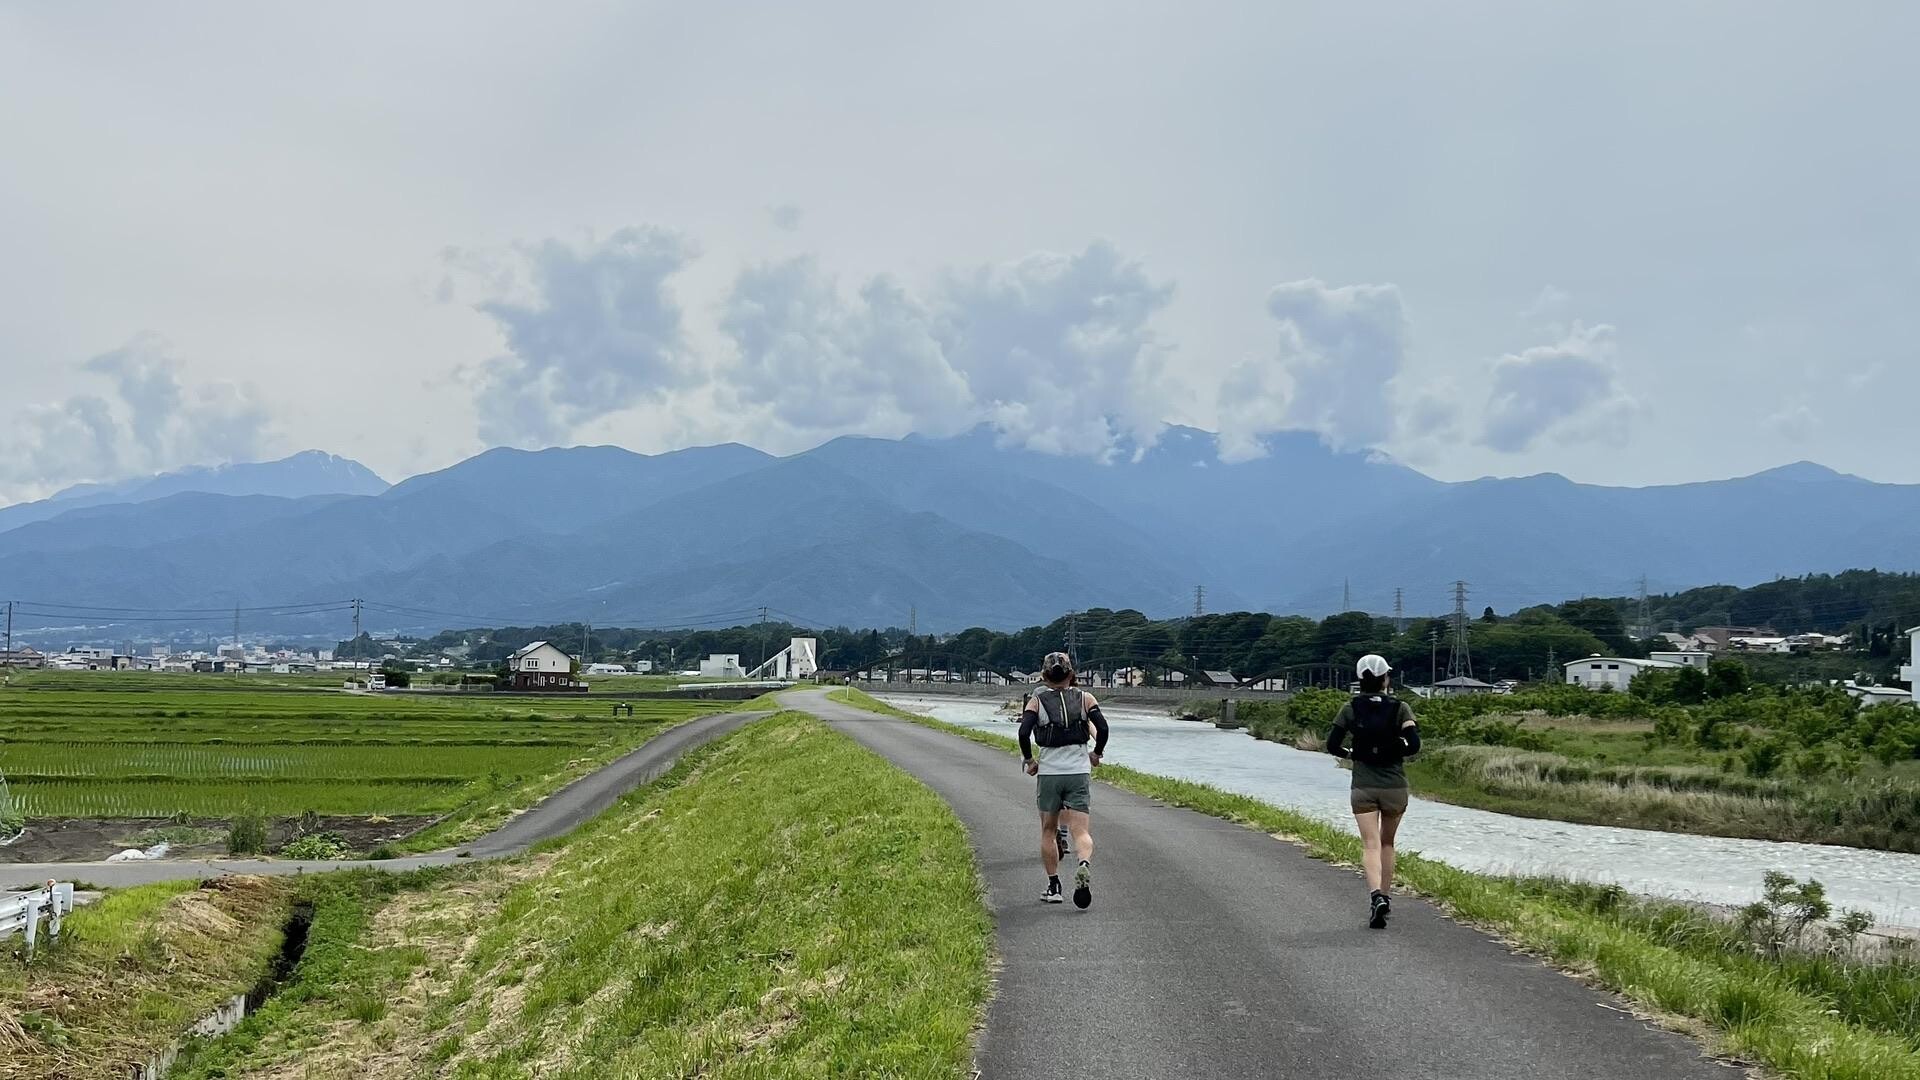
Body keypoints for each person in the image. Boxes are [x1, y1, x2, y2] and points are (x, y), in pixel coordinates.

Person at [1325, 654, 1421, 929]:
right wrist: (1394, 749)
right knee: (1387, 843)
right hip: (1395, 786)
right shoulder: (1401, 708)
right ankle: (1387, 898)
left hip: (1363, 787)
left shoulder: (1350, 708)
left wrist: (1353, 753)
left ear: (1360, 679)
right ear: (1385, 679)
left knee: (1370, 844)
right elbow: (1414, 745)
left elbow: (1332, 744)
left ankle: (1375, 895)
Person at [1019, 652, 1110, 908]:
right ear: (1072, 674)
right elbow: (1102, 729)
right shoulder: (1085, 698)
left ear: (1044, 676)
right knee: (1080, 831)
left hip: (1049, 773)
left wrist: (1029, 761)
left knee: (1049, 830)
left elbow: (1024, 732)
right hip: (1078, 772)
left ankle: (1054, 886)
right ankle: (1083, 863)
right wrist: (1096, 754)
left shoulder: (1037, 701)